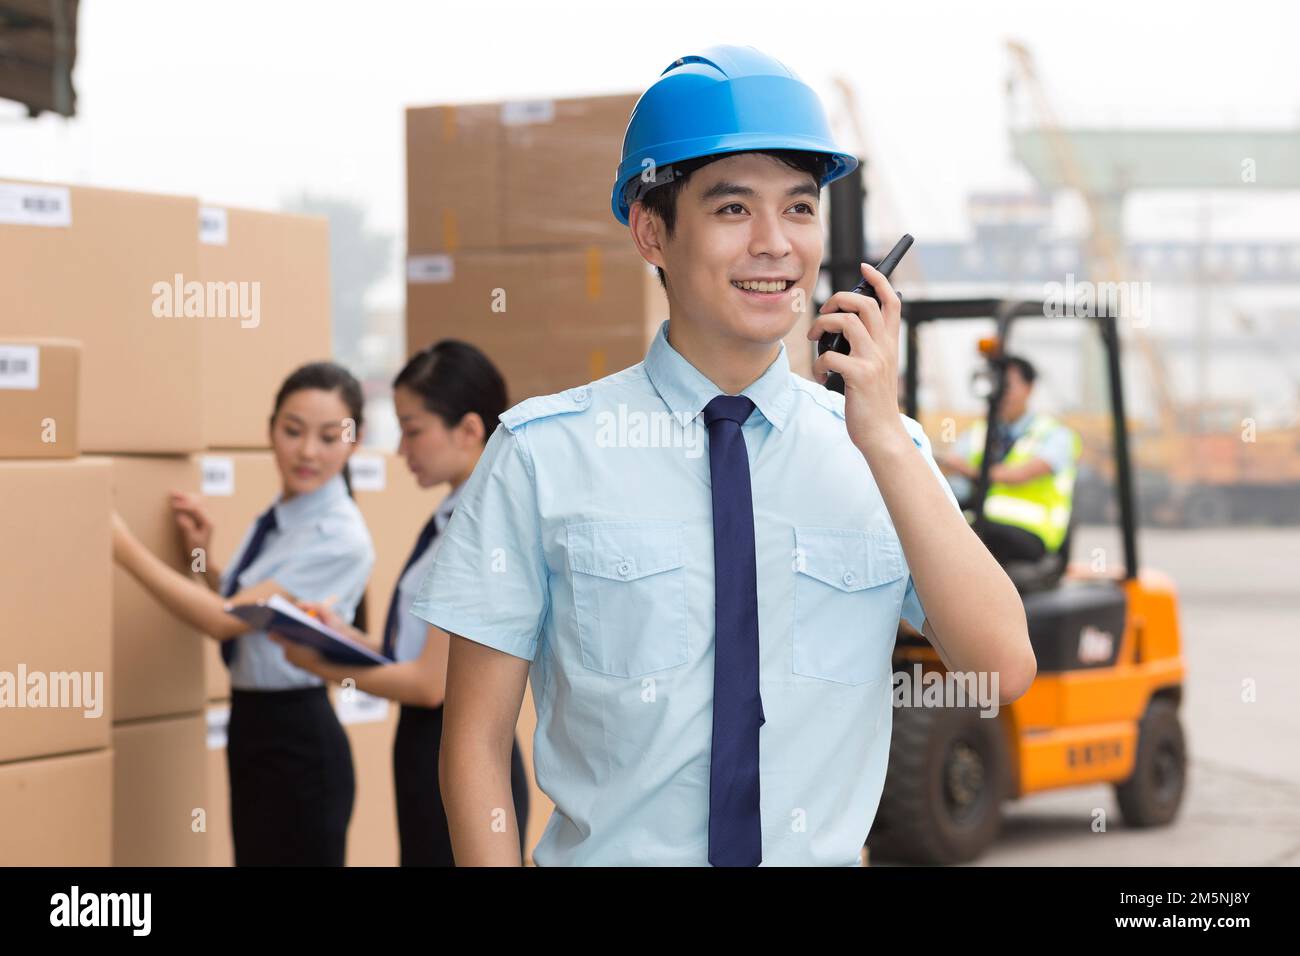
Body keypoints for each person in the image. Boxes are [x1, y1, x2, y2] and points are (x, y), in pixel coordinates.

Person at [412, 44, 1036, 867]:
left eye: (800, 208)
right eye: (734, 208)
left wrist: (884, 436)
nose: (774, 245)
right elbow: (476, 744)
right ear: (652, 230)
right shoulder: (542, 455)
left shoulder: (884, 454)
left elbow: (1001, 669)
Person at [270, 342, 530, 866]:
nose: (400, 449)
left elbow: (430, 684)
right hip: (428, 749)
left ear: (469, 430)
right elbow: (416, 653)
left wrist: (319, 664)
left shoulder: (481, 527)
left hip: (459, 751)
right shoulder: (453, 515)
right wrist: (341, 637)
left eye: (412, 430)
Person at [111, 361, 375, 866]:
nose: (307, 451)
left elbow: (224, 621)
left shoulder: (338, 536)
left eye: (328, 437)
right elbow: (251, 612)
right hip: (252, 723)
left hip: (298, 738)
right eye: (293, 431)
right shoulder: (281, 516)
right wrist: (202, 560)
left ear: (354, 442)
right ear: (270, 429)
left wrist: (122, 548)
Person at [937, 354, 1082, 565]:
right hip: (986, 522)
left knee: (974, 536)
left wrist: (968, 470)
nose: (1001, 394)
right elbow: (951, 471)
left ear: (1029, 388)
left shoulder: (1055, 434)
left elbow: (1019, 475)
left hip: (1033, 532)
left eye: (1007, 386)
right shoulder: (980, 431)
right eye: (996, 385)